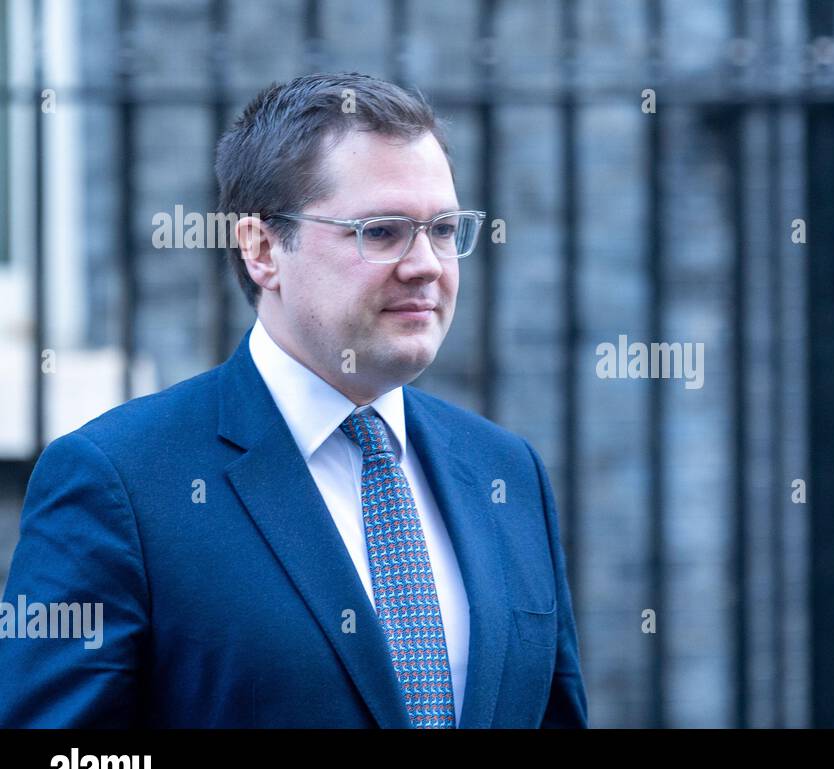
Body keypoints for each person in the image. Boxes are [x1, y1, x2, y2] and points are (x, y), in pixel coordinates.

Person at [0, 72, 587, 728]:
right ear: (261, 250)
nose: (427, 264)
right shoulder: (119, 482)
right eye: (383, 231)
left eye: (445, 229)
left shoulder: (507, 473)